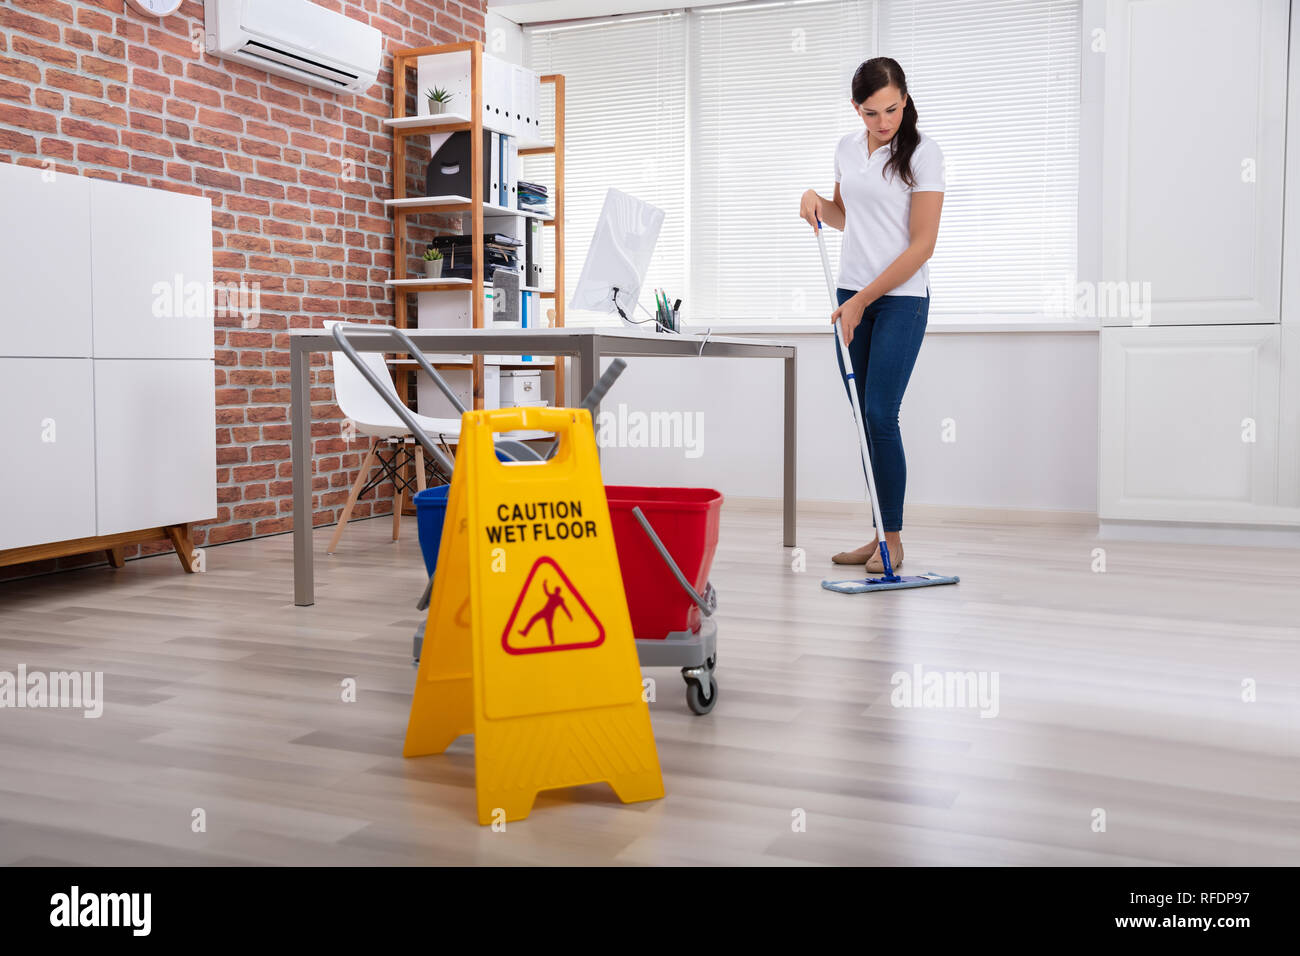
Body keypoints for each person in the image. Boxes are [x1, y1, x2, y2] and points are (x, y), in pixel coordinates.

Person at [799, 56, 945, 572]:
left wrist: (861, 300)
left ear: (905, 99)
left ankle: (895, 541)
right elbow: (846, 217)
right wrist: (816, 200)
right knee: (864, 422)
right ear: (856, 109)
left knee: (882, 415)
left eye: (892, 109)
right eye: (871, 113)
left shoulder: (924, 155)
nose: (884, 122)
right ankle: (878, 533)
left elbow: (921, 245)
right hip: (851, 293)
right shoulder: (845, 149)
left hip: (901, 298)